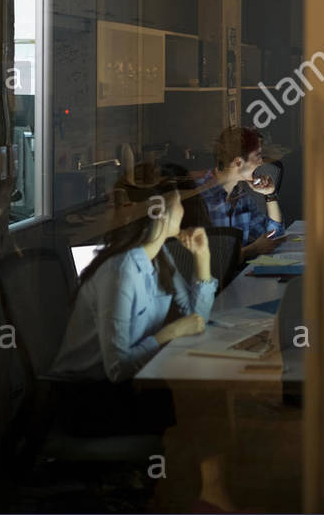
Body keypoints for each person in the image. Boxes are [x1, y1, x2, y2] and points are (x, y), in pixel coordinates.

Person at [51, 179, 216, 434]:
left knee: (198, 406)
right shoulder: (121, 270)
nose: (183, 209)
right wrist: (170, 333)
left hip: (127, 385)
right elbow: (117, 369)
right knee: (194, 410)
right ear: (160, 215)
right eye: (178, 204)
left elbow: (195, 320)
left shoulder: (160, 256)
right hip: (87, 397)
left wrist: (202, 258)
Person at [189, 126, 284, 260]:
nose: (261, 162)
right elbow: (206, 261)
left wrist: (270, 195)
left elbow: (273, 237)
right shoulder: (201, 196)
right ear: (238, 162)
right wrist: (251, 250)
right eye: (258, 156)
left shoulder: (241, 196)